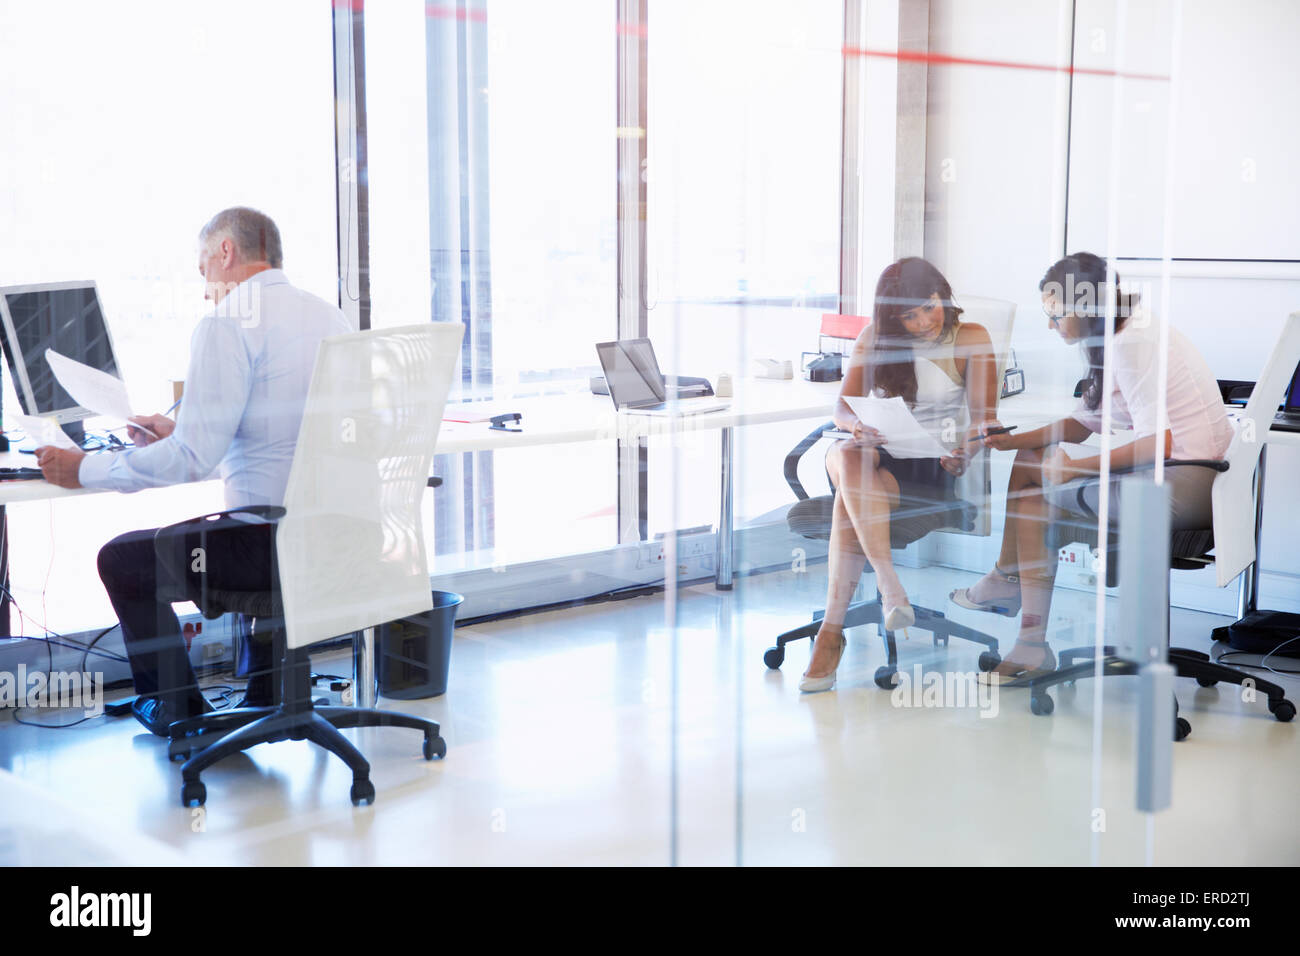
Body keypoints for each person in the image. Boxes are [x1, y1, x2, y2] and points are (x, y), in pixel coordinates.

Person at [35, 206, 352, 734]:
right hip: (338, 536)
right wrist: (181, 430)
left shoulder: (226, 324)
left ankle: (178, 708)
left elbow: (191, 460)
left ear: (226, 252)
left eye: (203, 265)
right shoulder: (328, 316)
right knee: (239, 524)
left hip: (270, 546)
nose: (204, 283)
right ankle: (268, 692)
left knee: (122, 559)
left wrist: (85, 468)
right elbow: (284, 434)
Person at [951, 251, 1233, 685]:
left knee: (1035, 499)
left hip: (1184, 484)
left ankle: (1024, 631)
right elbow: (1086, 423)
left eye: (1055, 314)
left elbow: (1161, 442)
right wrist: (1012, 440)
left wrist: (1075, 469)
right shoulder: (1121, 333)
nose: (1051, 324)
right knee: (1032, 458)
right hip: (1190, 476)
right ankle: (1006, 584)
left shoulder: (1133, 344)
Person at [801, 257, 999, 693]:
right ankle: (891, 587)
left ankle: (831, 635)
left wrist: (966, 451)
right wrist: (855, 426)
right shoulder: (876, 337)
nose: (924, 321)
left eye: (929, 307)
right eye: (908, 316)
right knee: (851, 454)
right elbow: (843, 406)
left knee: (847, 506)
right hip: (874, 448)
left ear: (942, 295)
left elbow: (985, 419)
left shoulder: (972, 337)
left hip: (927, 464)